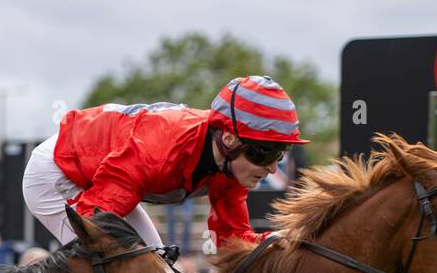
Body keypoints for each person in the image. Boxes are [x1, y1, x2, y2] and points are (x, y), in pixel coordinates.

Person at [22, 75, 310, 250]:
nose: (272, 168)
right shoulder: (157, 153)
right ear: (229, 140)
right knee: (112, 267)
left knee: (158, 264)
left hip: (100, 170)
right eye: (264, 155)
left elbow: (231, 240)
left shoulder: (230, 168)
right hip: (57, 172)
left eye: (279, 154)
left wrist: (271, 243)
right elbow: (91, 225)